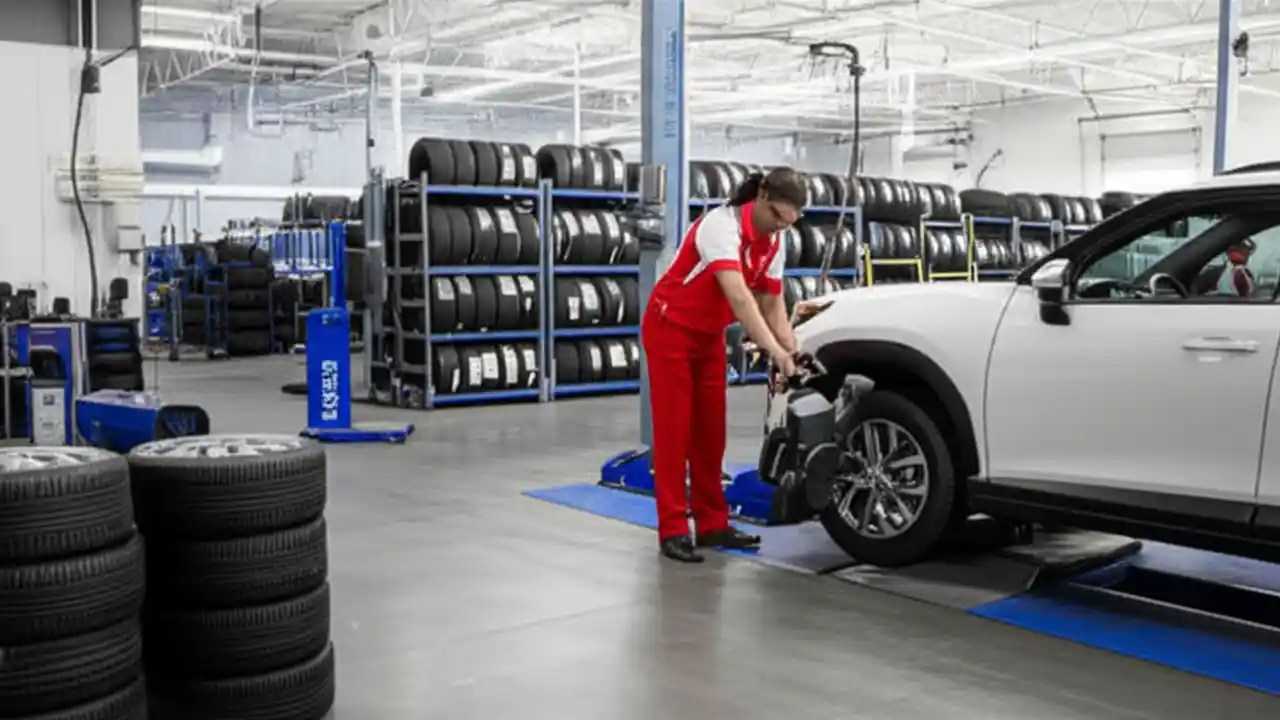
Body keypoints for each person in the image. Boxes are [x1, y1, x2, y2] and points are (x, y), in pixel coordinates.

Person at [642, 167, 807, 563]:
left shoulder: (774, 240)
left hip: (708, 335)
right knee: (675, 431)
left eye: (789, 223)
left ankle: (712, 523)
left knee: (711, 432)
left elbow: (772, 304)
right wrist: (775, 354)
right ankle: (674, 529)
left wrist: (793, 352)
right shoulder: (720, 226)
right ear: (761, 197)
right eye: (777, 218)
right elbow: (741, 301)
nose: (780, 229)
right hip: (670, 327)